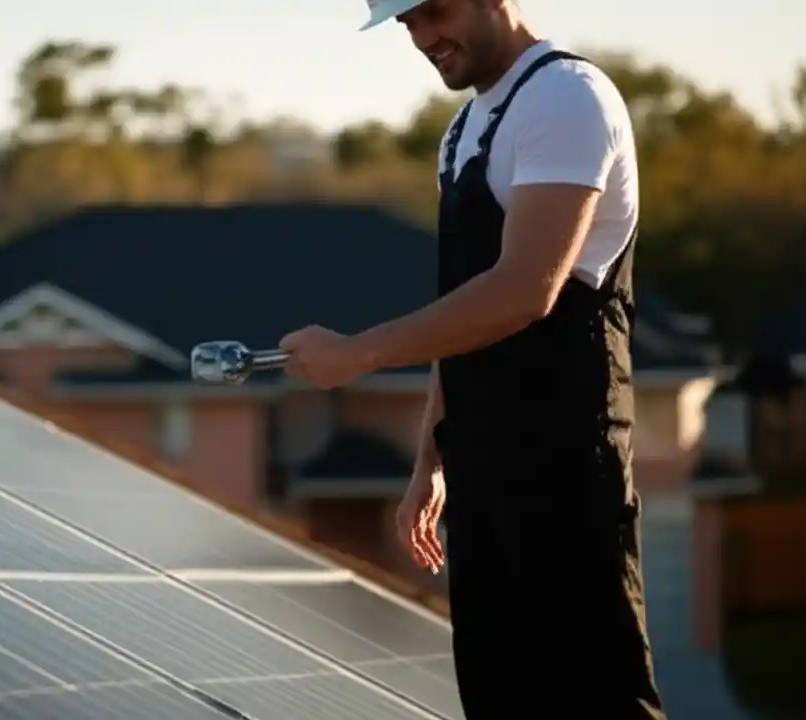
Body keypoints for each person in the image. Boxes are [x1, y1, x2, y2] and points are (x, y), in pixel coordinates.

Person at [277, 0, 667, 717]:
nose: (426, 39)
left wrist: (359, 354)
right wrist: (434, 463)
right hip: (487, 479)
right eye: (407, 25)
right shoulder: (464, 130)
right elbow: (464, 312)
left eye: (436, 13)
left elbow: (525, 291)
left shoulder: (565, 98)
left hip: (566, 475)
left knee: (597, 701)